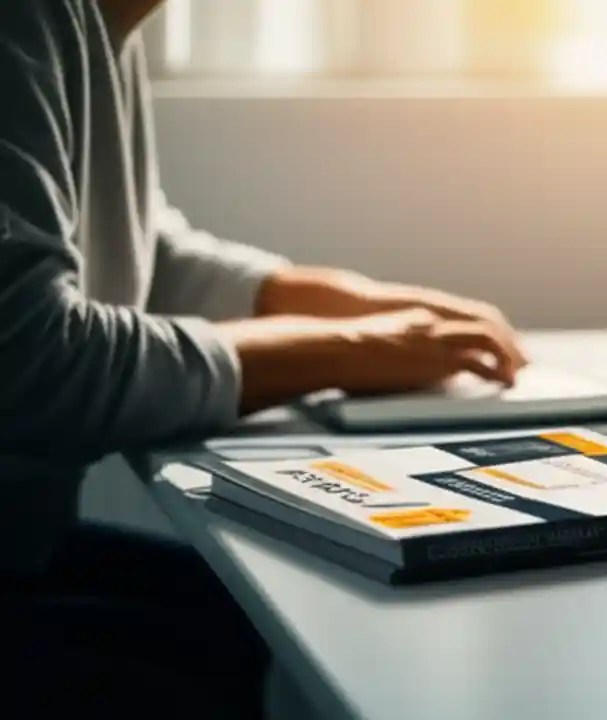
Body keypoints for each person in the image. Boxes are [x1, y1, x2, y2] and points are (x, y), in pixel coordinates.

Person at [0, 0, 528, 715]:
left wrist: (365, 307)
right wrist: (350, 349)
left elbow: (145, 253)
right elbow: (31, 358)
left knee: (280, 626)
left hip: (31, 550)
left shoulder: (100, 24)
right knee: (286, 649)